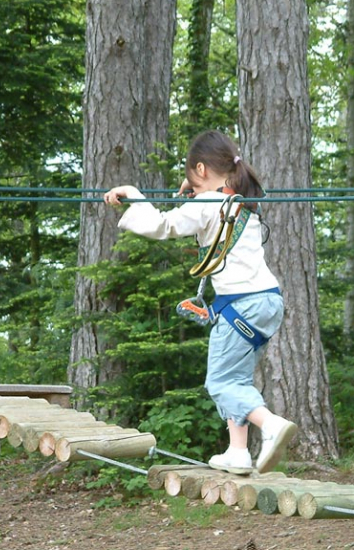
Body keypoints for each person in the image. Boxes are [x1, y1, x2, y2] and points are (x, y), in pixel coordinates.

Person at [102, 130, 297, 474]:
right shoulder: (241, 200)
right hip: (267, 303)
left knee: (220, 382)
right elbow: (210, 210)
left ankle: (269, 424)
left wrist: (132, 193)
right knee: (236, 378)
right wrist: (196, 187)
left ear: (203, 169)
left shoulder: (207, 204)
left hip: (241, 305)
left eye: (194, 176)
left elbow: (161, 225)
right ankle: (238, 452)